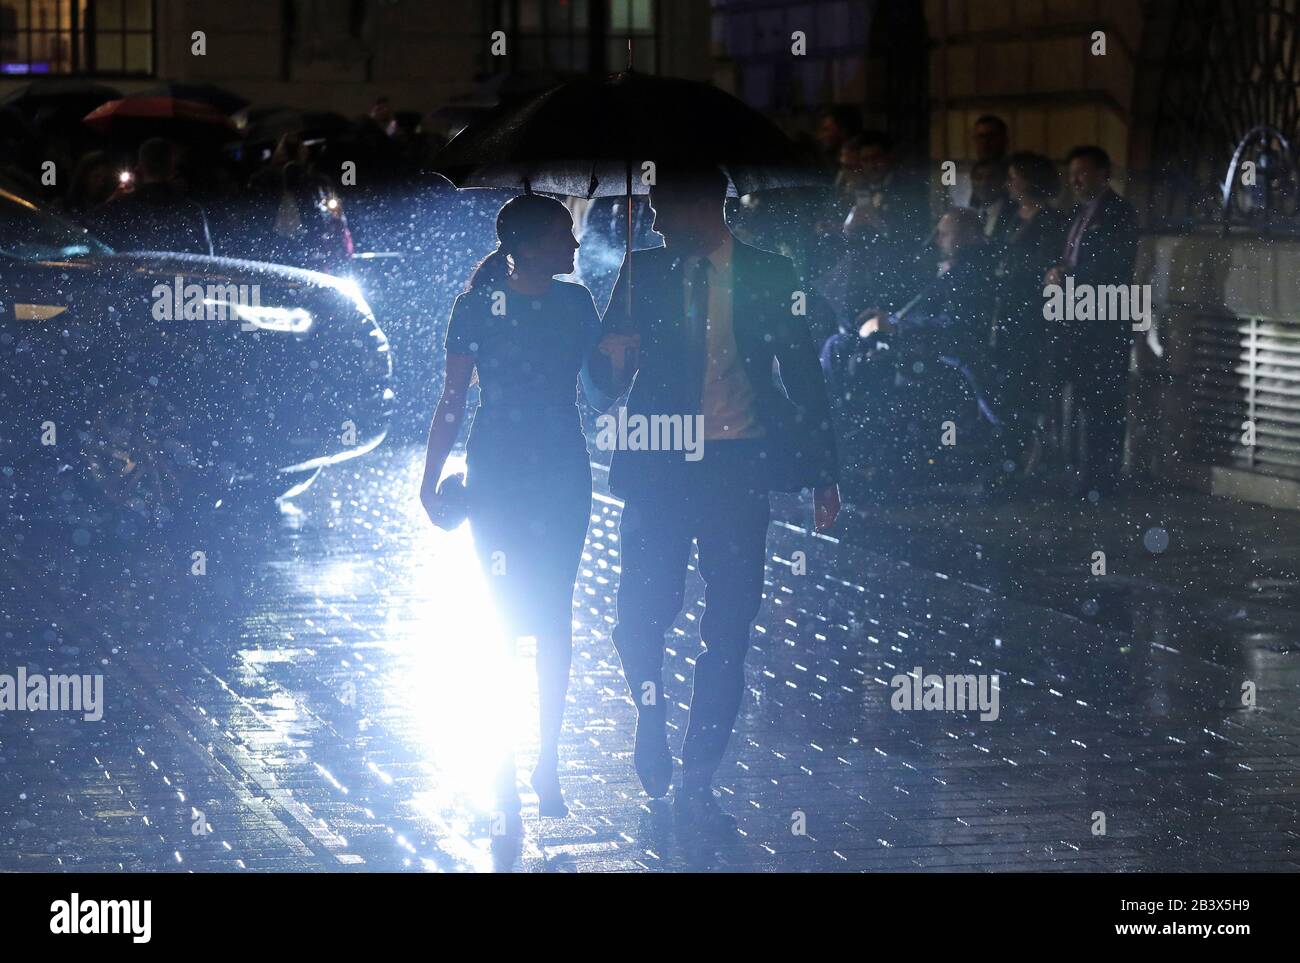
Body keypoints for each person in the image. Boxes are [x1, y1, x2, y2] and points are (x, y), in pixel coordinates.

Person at [584, 165, 841, 831]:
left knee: (729, 621)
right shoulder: (644, 271)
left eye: (667, 209)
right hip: (658, 467)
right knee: (640, 613)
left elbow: (802, 365)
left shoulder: (768, 272)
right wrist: (609, 356)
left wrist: (824, 467)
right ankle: (649, 714)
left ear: (703, 207)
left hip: (736, 466)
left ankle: (701, 763)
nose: (659, 222)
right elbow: (602, 385)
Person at [419, 194, 600, 826]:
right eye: (561, 236)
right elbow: (452, 397)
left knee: (553, 614)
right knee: (505, 614)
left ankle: (544, 759)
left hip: (558, 474)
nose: (574, 247)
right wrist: (429, 475)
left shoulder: (578, 304)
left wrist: (622, 346)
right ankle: (504, 759)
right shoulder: (475, 308)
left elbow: (603, 388)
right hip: (502, 473)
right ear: (527, 245)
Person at [1045, 145, 1139, 494]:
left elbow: (1113, 265)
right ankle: (1083, 469)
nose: (1076, 181)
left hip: (1105, 318)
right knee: (1084, 395)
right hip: (1077, 317)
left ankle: (1102, 475)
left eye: (1083, 173)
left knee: (1104, 399)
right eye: (1072, 175)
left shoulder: (1118, 213)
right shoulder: (1076, 214)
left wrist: (1070, 278)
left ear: (1103, 173)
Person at [991, 152, 1069, 467]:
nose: (1009, 184)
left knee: (1025, 381)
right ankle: (1007, 448)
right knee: (1004, 380)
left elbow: (1042, 262)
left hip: (1029, 311)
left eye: (1015, 177)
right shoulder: (1011, 214)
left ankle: (1028, 453)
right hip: (1005, 306)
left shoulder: (1050, 220)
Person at [88, 138, 211, 254]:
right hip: (176, 277)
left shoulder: (121, 208)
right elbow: (204, 259)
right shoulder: (191, 211)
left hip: (129, 274)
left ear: (138, 168)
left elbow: (83, 229)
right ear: (172, 169)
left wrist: (112, 200)